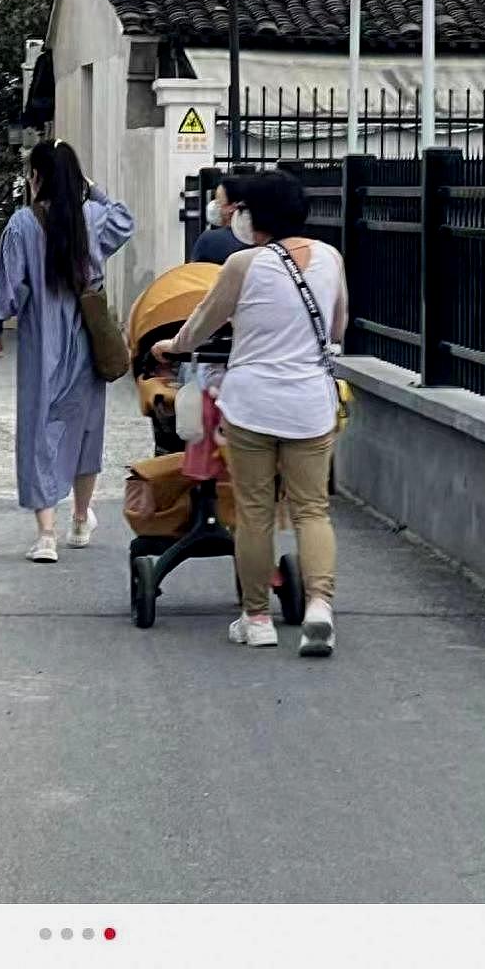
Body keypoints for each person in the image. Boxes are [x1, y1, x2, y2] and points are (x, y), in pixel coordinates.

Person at [153, 167, 348, 657]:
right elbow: (338, 326)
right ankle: (319, 607)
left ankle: (256, 616)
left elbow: (201, 325)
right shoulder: (330, 258)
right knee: (311, 509)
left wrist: (170, 345)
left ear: (253, 216)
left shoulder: (243, 264)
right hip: (309, 401)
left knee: (255, 511)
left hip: (253, 403)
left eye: (239, 210)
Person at [0, 140, 134, 562]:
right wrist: (93, 189)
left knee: (41, 428)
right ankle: (81, 519)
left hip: (43, 339)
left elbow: (7, 290)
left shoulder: (22, 224)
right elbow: (125, 220)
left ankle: (46, 534)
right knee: (86, 429)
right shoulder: (94, 217)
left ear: (37, 177)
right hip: (88, 339)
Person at [190, 172, 254, 264]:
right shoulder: (261, 239)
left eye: (219, 202)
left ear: (234, 207)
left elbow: (190, 274)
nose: (215, 206)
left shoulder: (209, 240)